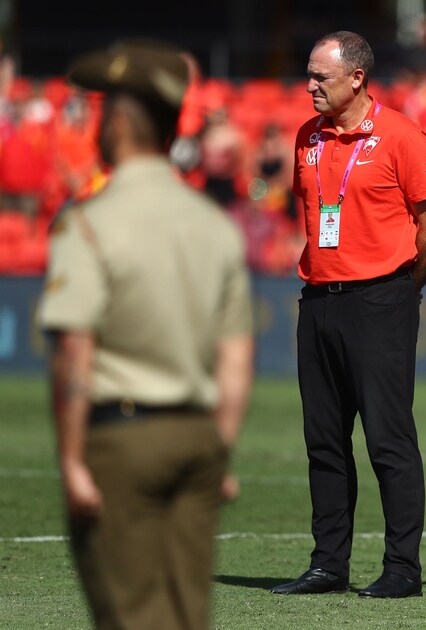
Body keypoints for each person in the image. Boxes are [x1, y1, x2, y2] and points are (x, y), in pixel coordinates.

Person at [40, 40, 254, 629]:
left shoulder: (88, 222)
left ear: (111, 128)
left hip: (123, 436)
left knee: (129, 615)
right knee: (188, 614)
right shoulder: (214, 227)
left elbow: (74, 352)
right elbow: (236, 357)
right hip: (195, 436)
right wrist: (222, 446)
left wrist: (73, 459)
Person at [271, 31, 426, 599]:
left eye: (320, 77)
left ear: (356, 78)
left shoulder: (401, 135)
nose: (310, 86)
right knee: (323, 440)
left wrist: (402, 290)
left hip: (381, 301)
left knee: (388, 440)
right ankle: (329, 564)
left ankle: (402, 569)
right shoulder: (307, 136)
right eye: (309, 74)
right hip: (319, 300)